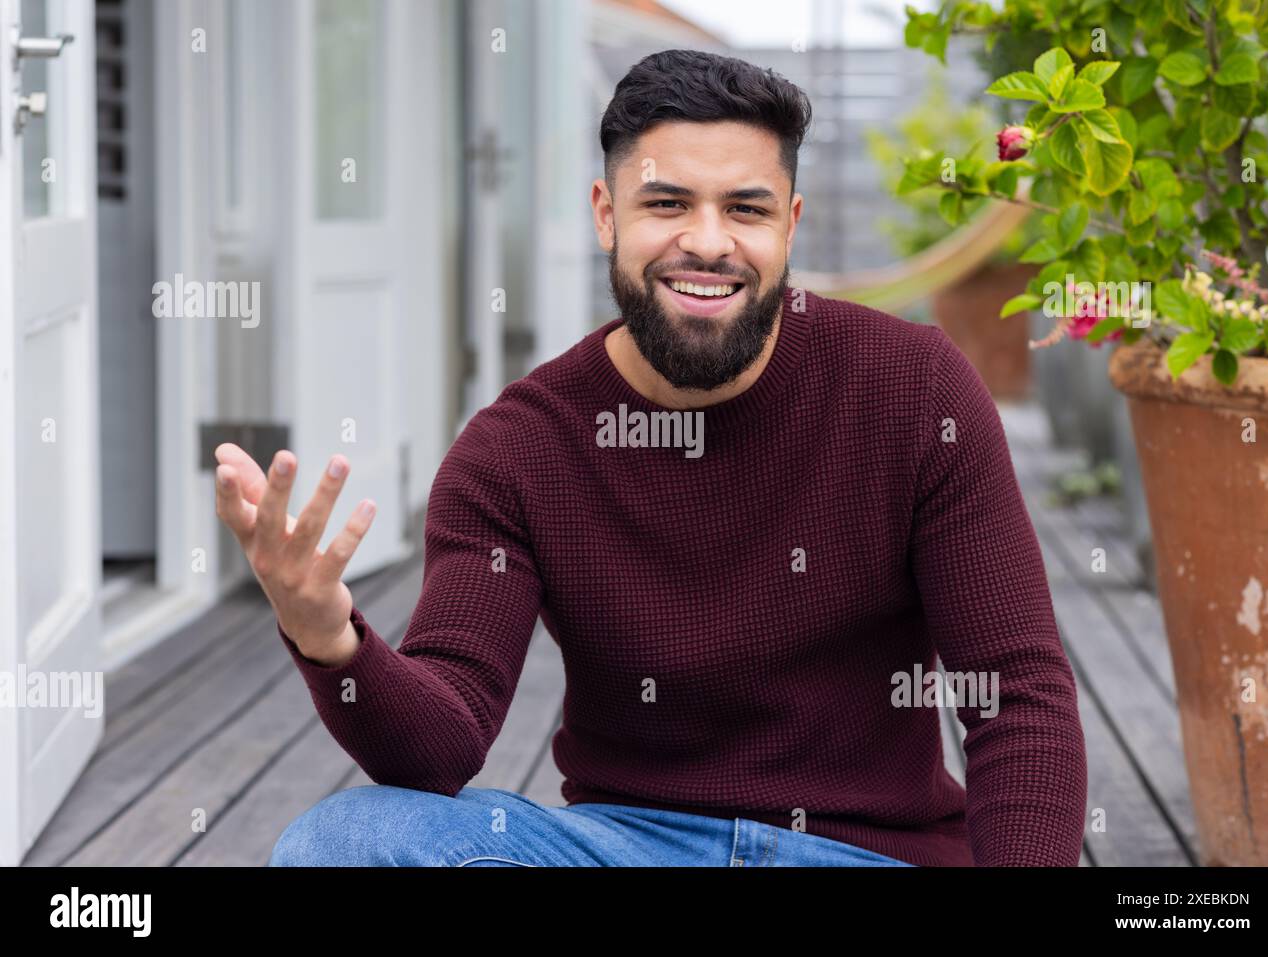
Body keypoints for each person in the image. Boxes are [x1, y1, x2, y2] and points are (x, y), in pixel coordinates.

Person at [215, 48, 1087, 868]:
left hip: (865, 853)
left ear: (789, 224)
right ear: (607, 214)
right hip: (627, 846)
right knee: (344, 842)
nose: (707, 242)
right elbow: (443, 744)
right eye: (667, 203)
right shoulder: (518, 449)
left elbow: (1017, 695)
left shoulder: (915, 387)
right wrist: (329, 637)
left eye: (744, 208)